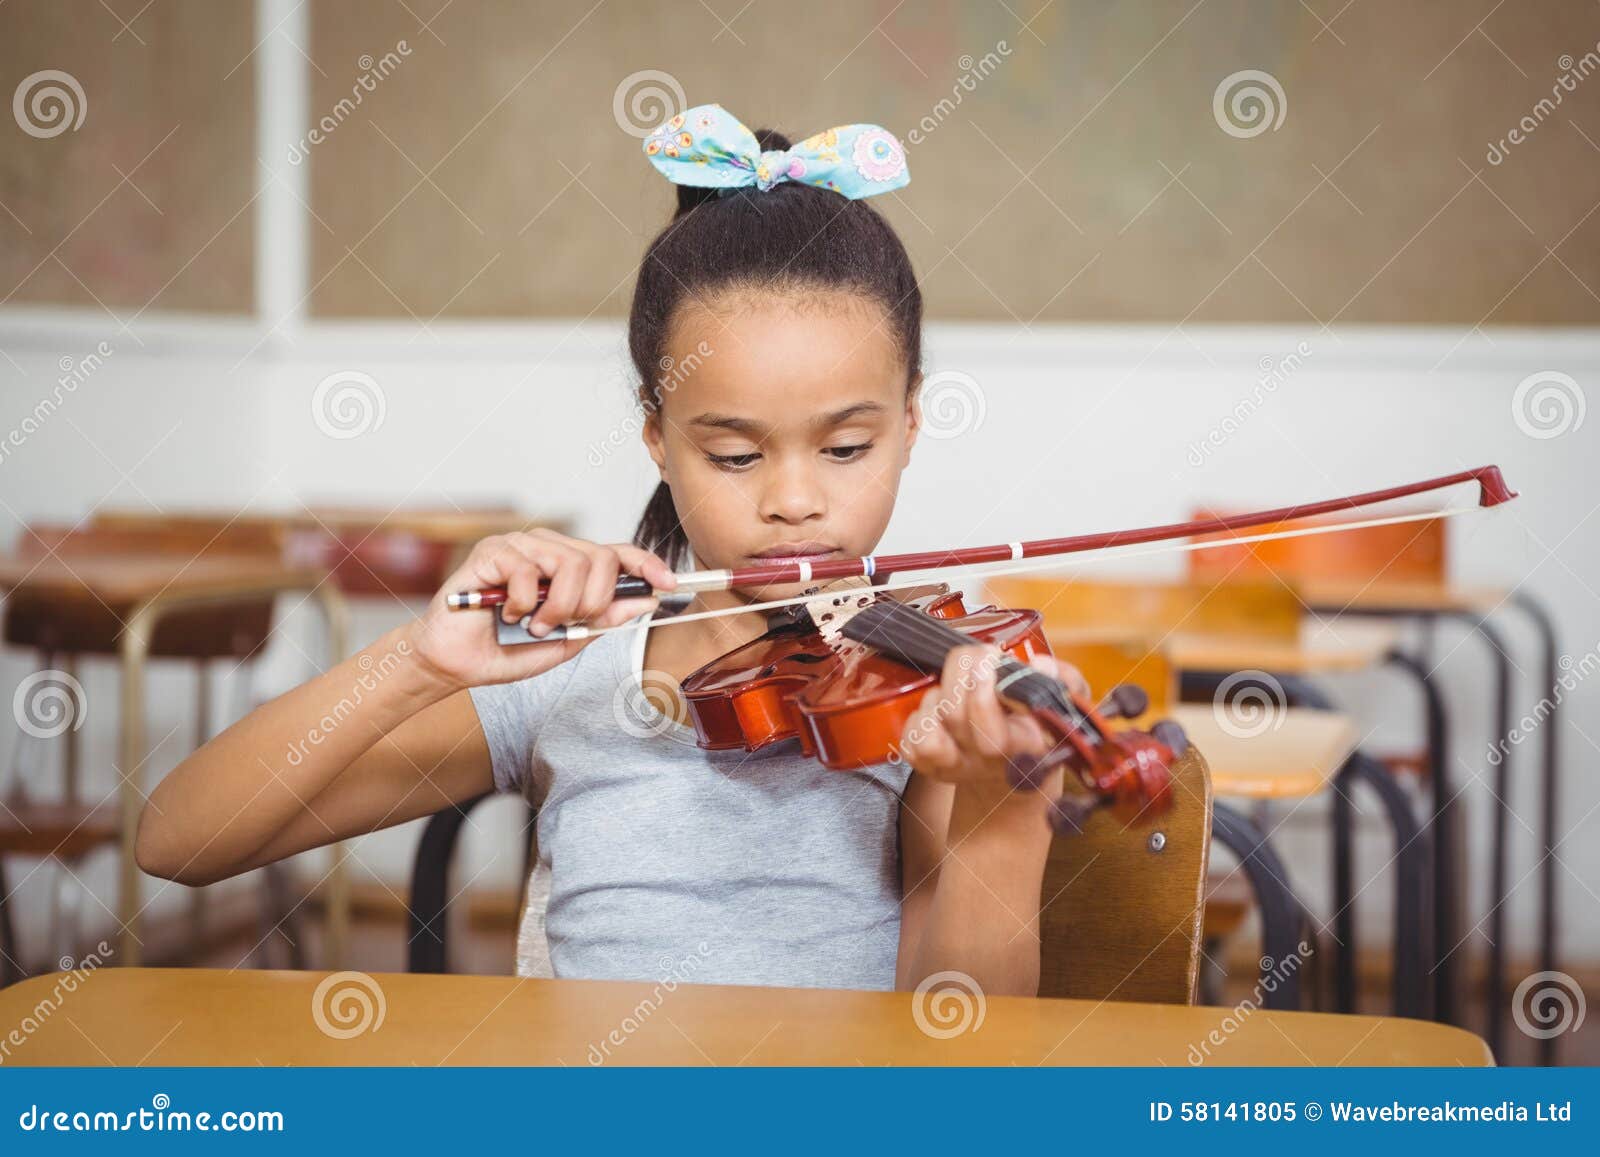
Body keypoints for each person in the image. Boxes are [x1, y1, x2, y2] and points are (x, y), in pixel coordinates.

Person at [138, 104, 1082, 997]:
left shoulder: (932, 706)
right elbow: (180, 839)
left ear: (912, 420)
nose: (795, 501)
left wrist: (1003, 809)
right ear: (656, 438)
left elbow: (960, 1045)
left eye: (846, 448)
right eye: (734, 453)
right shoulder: (569, 675)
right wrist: (418, 661)